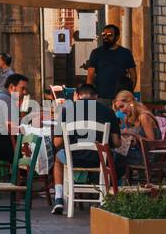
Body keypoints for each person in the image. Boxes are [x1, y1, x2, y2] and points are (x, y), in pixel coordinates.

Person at [50, 83, 122, 215]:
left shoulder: (67, 111)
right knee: (117, 159)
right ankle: (108, 198)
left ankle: (59, 198)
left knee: (57, 159)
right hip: (100, 159)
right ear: (96, 97)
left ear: (77, 95)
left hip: (74, 159)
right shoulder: (108, 111)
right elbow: (117, 143)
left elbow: (57, 142)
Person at [85, 24, 137, 102]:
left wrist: (128, 93)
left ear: (117, 37)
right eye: (104, 34)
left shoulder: (125, 53)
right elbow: (90, 76)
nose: (106, 37)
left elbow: (133, 75)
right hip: (100, 97)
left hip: (120, 98)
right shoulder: (96, 53)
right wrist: (90, 95)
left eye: (109, 35)